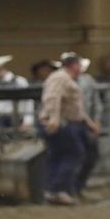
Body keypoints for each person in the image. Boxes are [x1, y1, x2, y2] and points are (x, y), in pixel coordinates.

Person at [40, 53, 96, 206]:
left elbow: (74, 106)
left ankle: (54, 190)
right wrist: (54, 118)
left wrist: (87, 122)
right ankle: (57, 189)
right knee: (74, 153)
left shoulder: (63, 78)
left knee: (58, 156)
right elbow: (52, 97)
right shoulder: (61, 78)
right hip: (63, 123)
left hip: (65, 122)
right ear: (74, 66)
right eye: (79, 65)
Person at [74, 56, 102, 198]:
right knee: (75, 156)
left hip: (86, 123)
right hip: (73, 122)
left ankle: (78, 186)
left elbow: (96, 102)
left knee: (91, 156)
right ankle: (72, 187)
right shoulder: (64, 80)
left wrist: (96, 121)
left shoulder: (88, 80)